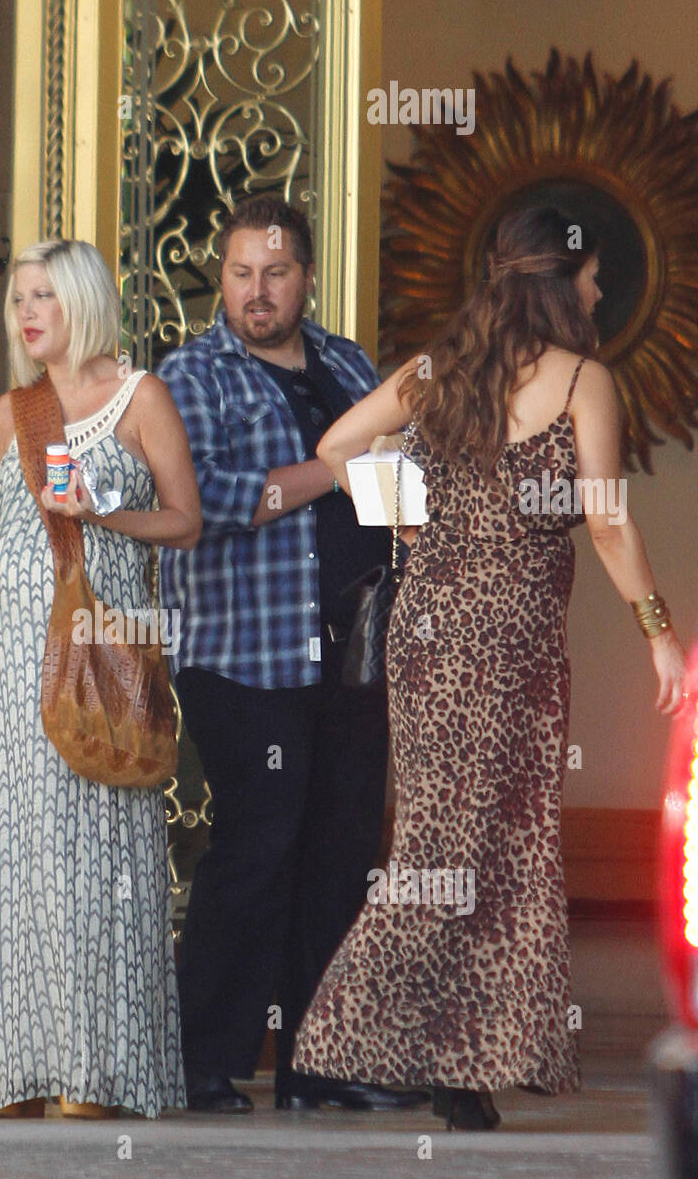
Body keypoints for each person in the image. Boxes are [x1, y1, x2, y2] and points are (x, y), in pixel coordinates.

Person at [294, 204, 689, 1130]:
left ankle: (460, 1065)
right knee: (488, 844)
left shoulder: (443, 368)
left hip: (427, 628)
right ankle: (346, 1032)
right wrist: (658, 631)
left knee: (453, 838)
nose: (599, 290)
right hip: (507, 637)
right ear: (563, 281)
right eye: (592, 276)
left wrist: (405, 514)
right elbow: (606, 519)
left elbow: (336, 447)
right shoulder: (585, 379)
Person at [0, 239, 200, 1118]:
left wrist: (102, 511)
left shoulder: (141, 396)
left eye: (43, 297)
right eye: (18, 302)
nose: (27, 313)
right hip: (7, 656)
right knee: (14, 859)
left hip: (100, 654)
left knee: (98, 857)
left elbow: (187, 522)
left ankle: (98, 1074)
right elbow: (7, 531)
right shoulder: (13, 412)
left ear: (84, 302)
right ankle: (20, 1070)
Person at [157, 193, 427, 1114]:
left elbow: (398, 474)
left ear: (306, 276)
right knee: (256, 848)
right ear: (221, 280)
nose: (258, 291)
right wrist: (336, 468)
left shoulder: (348, 361)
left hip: (355, 650)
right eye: (240, 274)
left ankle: (323, 1065)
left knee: (342, 851)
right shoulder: (194, 374)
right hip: (244, 652)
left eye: (275, 273)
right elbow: (208, 500)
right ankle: (204, 1062)